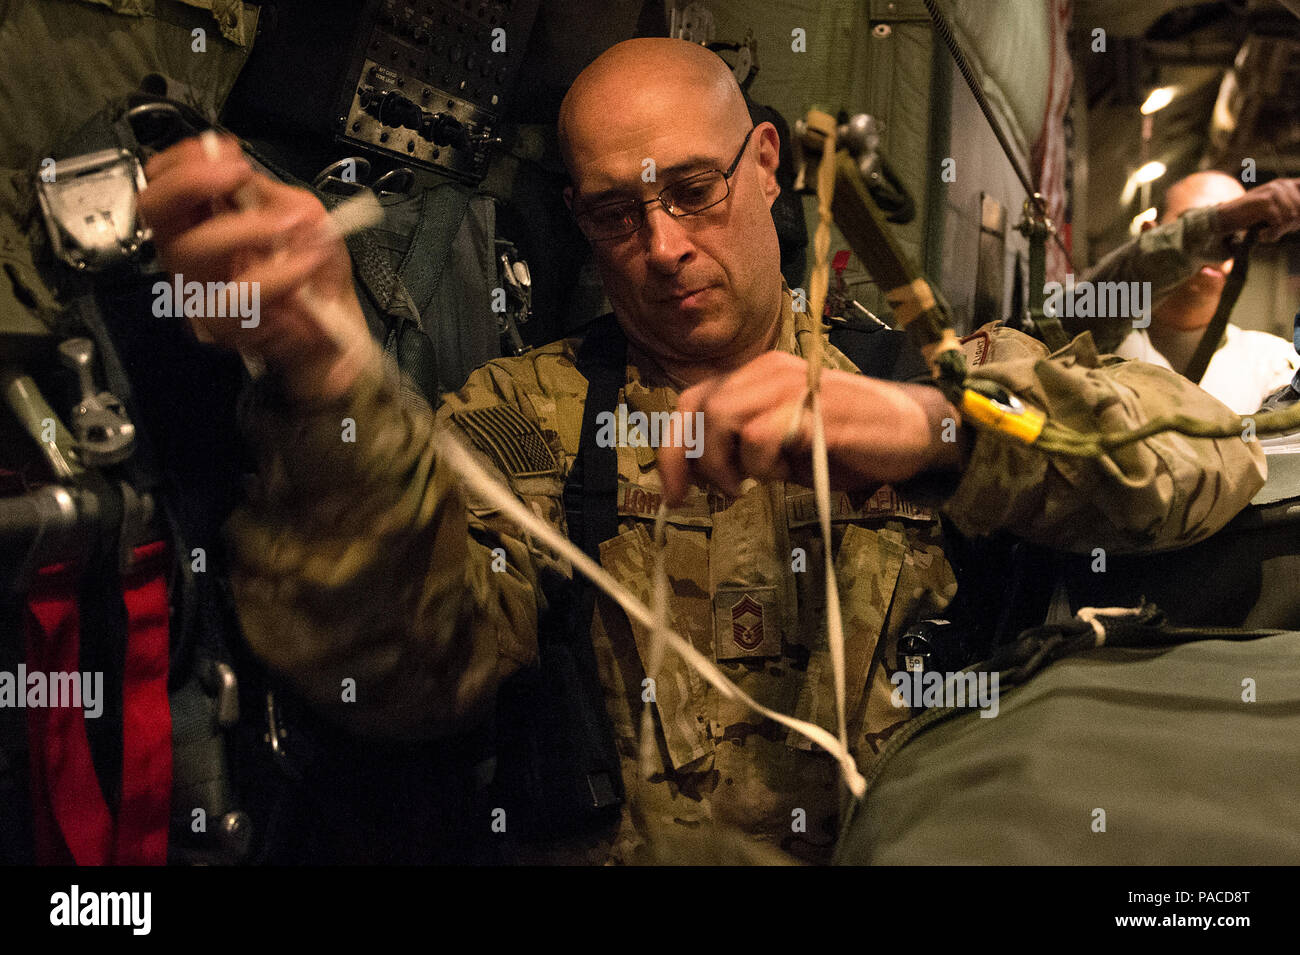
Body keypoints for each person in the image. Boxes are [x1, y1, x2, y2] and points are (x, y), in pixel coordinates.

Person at [138, 38, 1265, 864]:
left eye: (692, 190)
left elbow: (1211, 458)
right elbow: (404, 675)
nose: (663, 249)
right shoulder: (524, 416)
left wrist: (933, 435)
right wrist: (329, 377)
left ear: (767, 163)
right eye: (614, 216)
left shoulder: (927, 369)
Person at [1083, 171, 1300, 413]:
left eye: (1238, 234)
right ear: (1150, 232)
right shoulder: (1092, 343)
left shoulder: (1273, 361)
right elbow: (1073, 315)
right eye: (1194, 220)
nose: (1220, 249)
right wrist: (1215, 223)